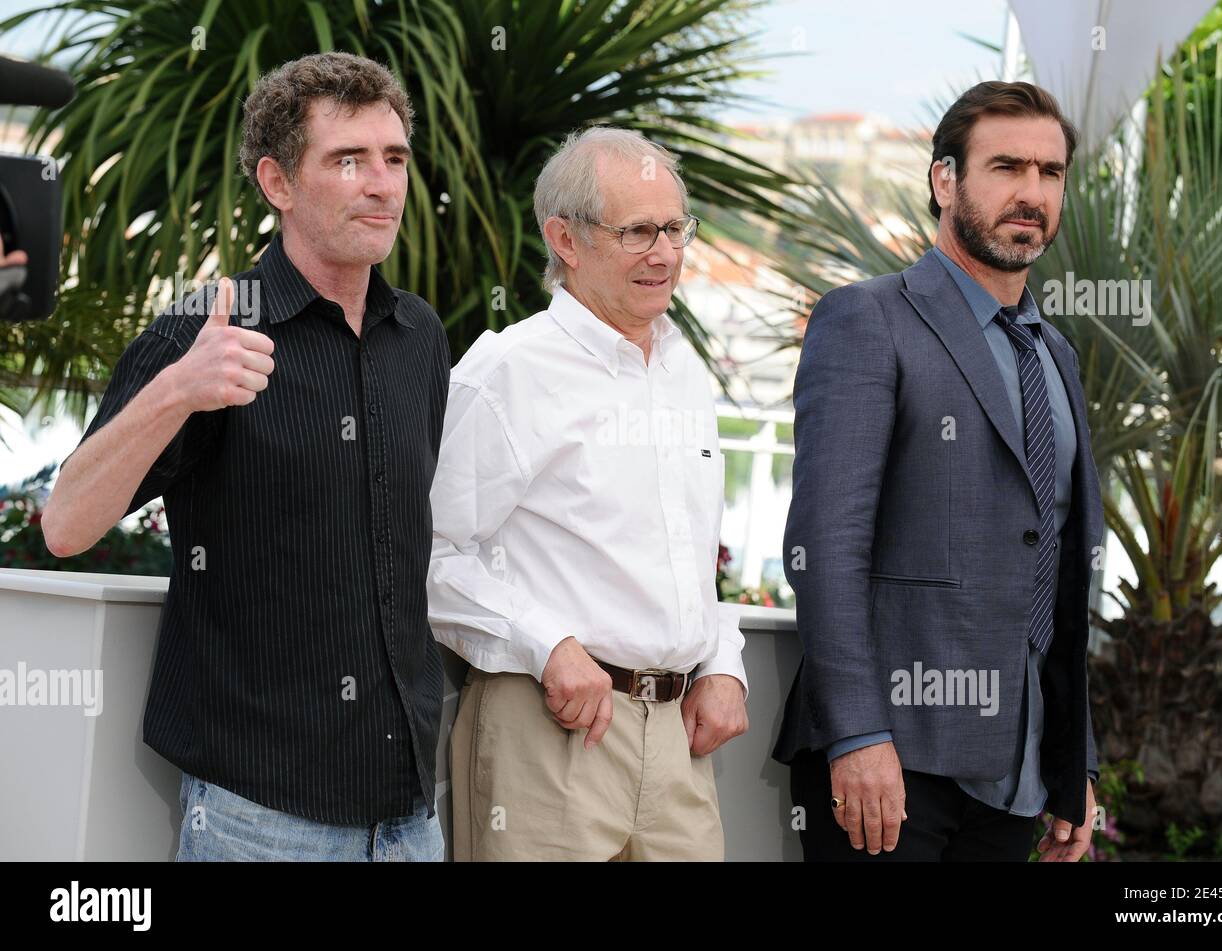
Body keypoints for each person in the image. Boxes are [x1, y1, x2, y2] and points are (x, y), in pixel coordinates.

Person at [42, 52, 450, 861]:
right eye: (348, 160)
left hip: (409, 817)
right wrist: (176, 390)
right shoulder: (205, 329)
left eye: (394, 158)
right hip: (260, 819)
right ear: (277, 183)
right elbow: (65, 524)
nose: (383, 184)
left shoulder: (421, 339)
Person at [773, 81, 1102, 862]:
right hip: (893, 767)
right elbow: (825, 547)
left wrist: (1072, 761)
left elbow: (1057, 569)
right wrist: (856, 731)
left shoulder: (1054, 354)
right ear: (944, 179)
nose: (1031, 193)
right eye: (1006, 166)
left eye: (1050, 173)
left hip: (1016, 777)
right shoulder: (868, 318)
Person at [427, 126, 748, 861]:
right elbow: (430, 554)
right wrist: (547, 644)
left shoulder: (685, 373)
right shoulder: (507, 369)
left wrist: (725, 661)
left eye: (674, 227)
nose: (664, 253)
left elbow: (694, 562)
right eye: (637, 231)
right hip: (549, 729)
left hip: (678, 744)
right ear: (564, 240)